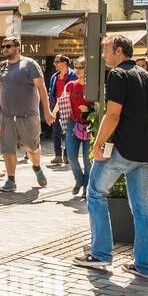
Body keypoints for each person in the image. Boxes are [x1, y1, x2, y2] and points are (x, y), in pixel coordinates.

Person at [76, 35, 148, 280]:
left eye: (106, 50)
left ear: (119, 51)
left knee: (95, 193)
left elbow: (112, 115)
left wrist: (98, 144)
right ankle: (144, 265)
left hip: (122, 148)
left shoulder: (117, 75)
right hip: (144, 150)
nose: (103, 55)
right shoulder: (145, 75)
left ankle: (100, 254)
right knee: (142, 208)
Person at [0, 36, 54, 192]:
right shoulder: (2, 66)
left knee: (32, 148)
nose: (5, 49)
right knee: (7, 149)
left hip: (28, 114)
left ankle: (36, 166)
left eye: (8, 46)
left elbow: (42, 88)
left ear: (18, 47)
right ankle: (11, 180)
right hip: (6, 114)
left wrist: (47, 112)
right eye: (3, 47)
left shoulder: (30, 64)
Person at [61, 57, 93, 197]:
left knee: (87, 160)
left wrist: (88, 109)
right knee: (71, 157)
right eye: (76, 67)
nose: (77, 70)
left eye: (81, 67)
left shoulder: (92, 86)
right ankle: (79, 180)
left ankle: (86, 187)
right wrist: (52, 113)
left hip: (89, 125)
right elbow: (62, 101)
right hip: (73, 124)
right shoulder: (71, 85)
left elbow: (100, 106)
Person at [47, 55, 73, 167]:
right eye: (55, 62)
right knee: (56, 131)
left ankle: (67, 156)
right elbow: (51, 91)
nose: (55, 64)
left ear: (65, 63)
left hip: (69, 107)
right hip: (56, 107)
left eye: (57, 62)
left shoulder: (73, 75)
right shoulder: (55, 76)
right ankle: (58, 155)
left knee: (68, 131)